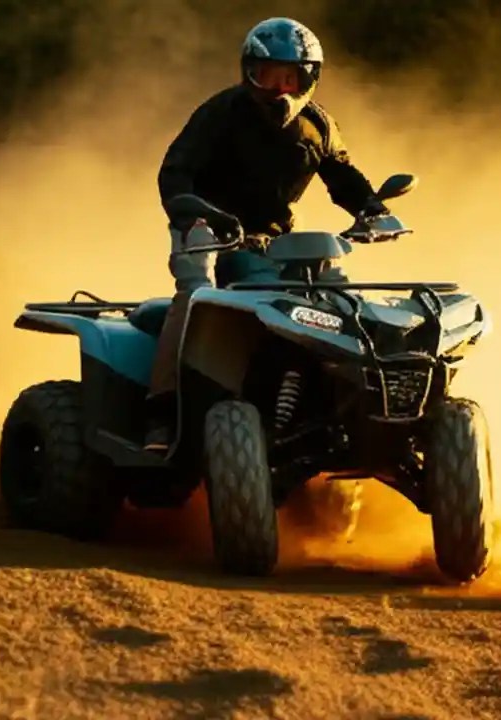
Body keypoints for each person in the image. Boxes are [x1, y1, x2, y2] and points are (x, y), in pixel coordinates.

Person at [143, 16, 389, 452]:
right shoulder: (219, 114)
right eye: (267, 76)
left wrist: (372, 208)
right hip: (209, 232)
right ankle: (163, 413)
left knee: (338, 298)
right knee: (194, 299)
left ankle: (356, 414)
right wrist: (190, 213)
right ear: (248, 73)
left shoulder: (318, 127)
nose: (278, 89)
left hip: (275, 243)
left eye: (290, 78)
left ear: (309, 79)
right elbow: (174, 173)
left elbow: (345, 177)